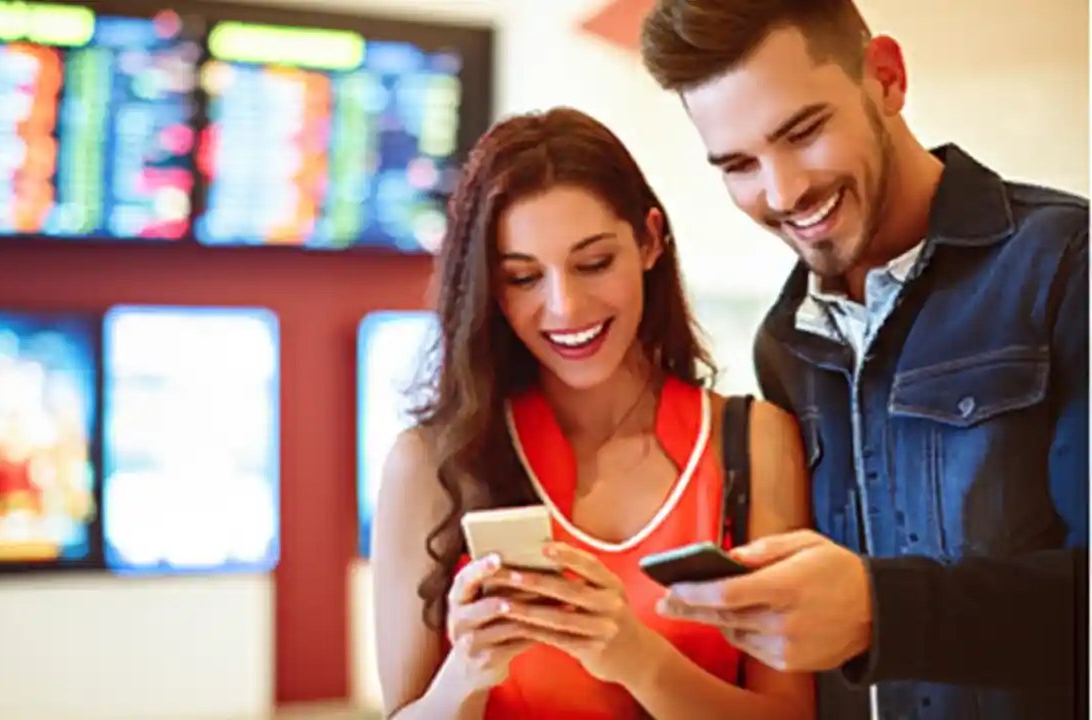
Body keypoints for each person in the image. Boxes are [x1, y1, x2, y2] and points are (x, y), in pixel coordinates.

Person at [638, 1, 1089, 719]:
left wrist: (884, 613)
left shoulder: (1069, 265)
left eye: (804, 132)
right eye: (740, 165)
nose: (783, 191)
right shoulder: (784, 346)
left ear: (885, 78)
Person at [370, 107, 816, 718]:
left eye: (594, 263)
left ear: (650, 241)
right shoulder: (431, 463)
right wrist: (466, 675)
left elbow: (790, 715)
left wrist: (636, 659)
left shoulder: (752, 442)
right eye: (523, 277)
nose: (566, 307)